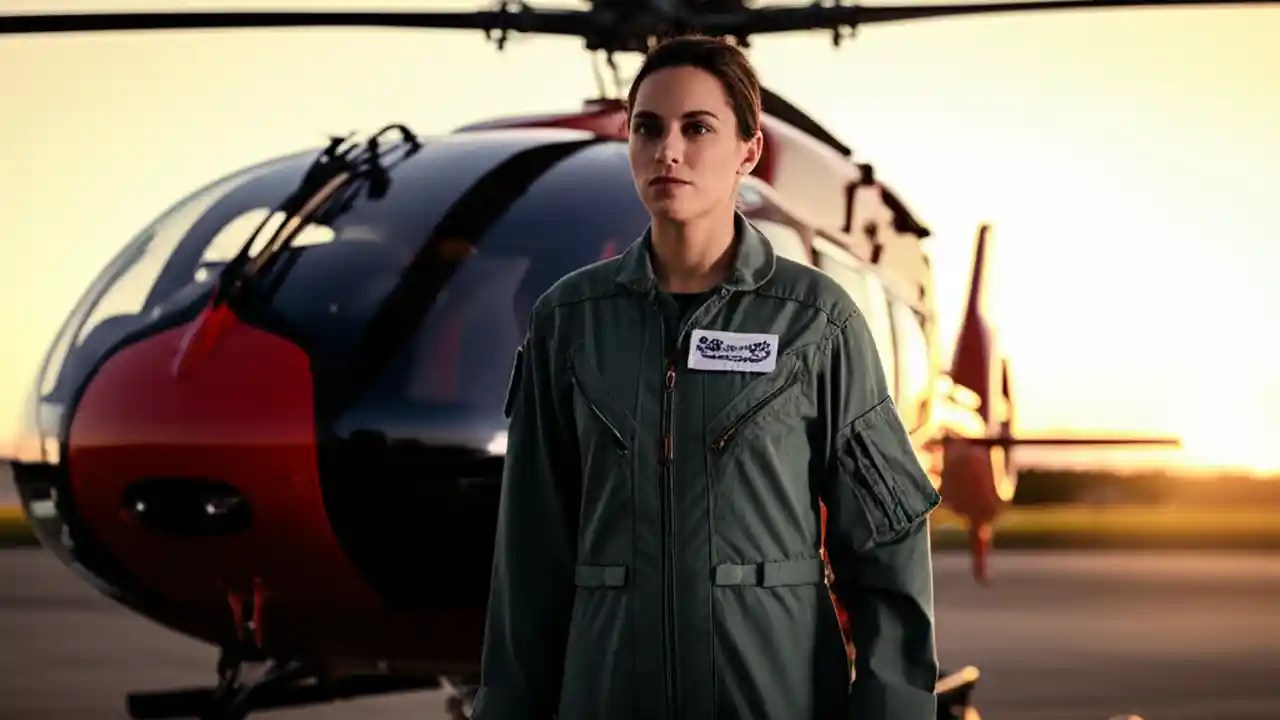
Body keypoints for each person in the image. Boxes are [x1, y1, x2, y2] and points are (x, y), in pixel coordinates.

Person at [471, 34, 941, 720]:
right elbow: (528, 556)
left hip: (771, 697)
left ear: (748, 150)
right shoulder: (569, 322)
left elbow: (886, 544)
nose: (668, 150)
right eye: (647, 129)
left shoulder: (816, 323)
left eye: (698, 128)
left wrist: (893, 708)